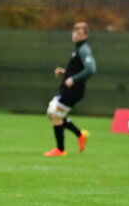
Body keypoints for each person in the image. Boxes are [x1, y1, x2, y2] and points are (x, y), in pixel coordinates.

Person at [43, 21, 96, 156]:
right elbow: (77, 69)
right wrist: (65, 72)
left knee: (55, 115)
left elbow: (91, 69)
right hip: (70, 90)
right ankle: (80, 135)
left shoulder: (84, 49)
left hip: (74, 91)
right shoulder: (78, 49)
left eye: (79, 33)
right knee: (53, 114)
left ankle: (60, 149)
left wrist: (73, 79)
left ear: (85, 36)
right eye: (74, 32)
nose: (75, 35)